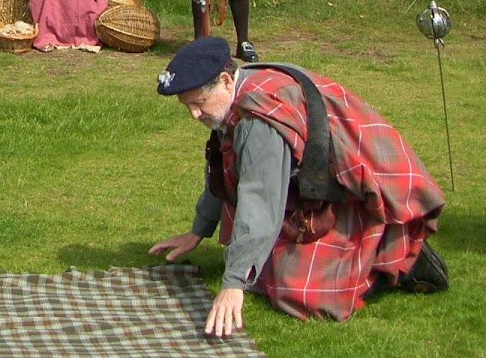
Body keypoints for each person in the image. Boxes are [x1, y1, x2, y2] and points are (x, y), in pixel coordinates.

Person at [149, 37, 447, 336]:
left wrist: (233, 284)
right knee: (262, 271)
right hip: (320, 183)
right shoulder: (240, 91)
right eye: (187, 106)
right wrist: (199, 229)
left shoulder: (257, 118)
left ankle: (397, 259)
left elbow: (259, 198)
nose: (194, 115)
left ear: (225, 81)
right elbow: (222, 164)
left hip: (366, 187)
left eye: (198, 103)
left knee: (301, 292)